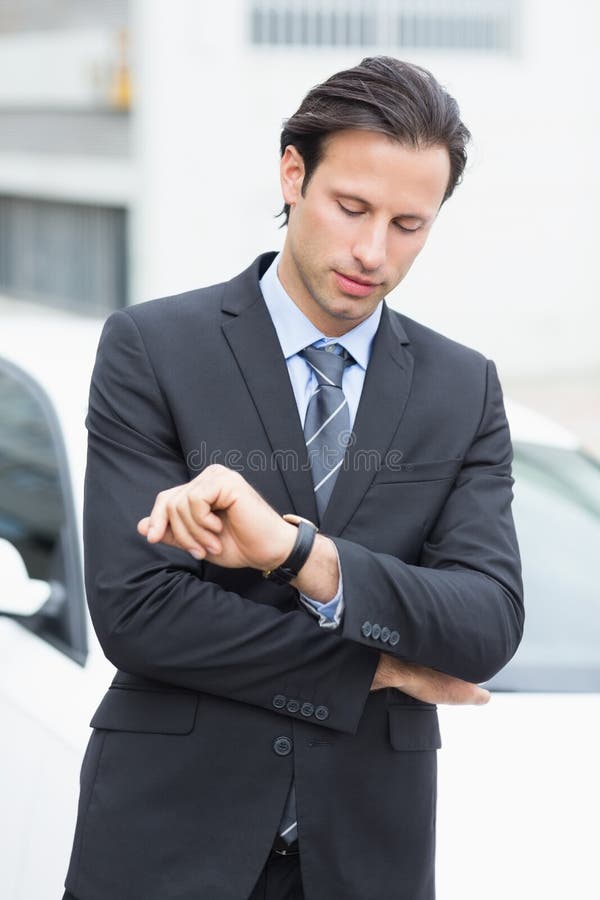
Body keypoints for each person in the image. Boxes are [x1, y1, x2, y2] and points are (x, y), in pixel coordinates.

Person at [63, 56, 523, 900]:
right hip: (165, 847)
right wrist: (379, 668)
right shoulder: (154, 349)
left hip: (367, 859)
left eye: (409, 224)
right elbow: (140, 612)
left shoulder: (464, 388)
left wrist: (300, 554)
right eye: (352, 208)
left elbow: (486, 625)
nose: (372, 251)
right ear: (293, 173)